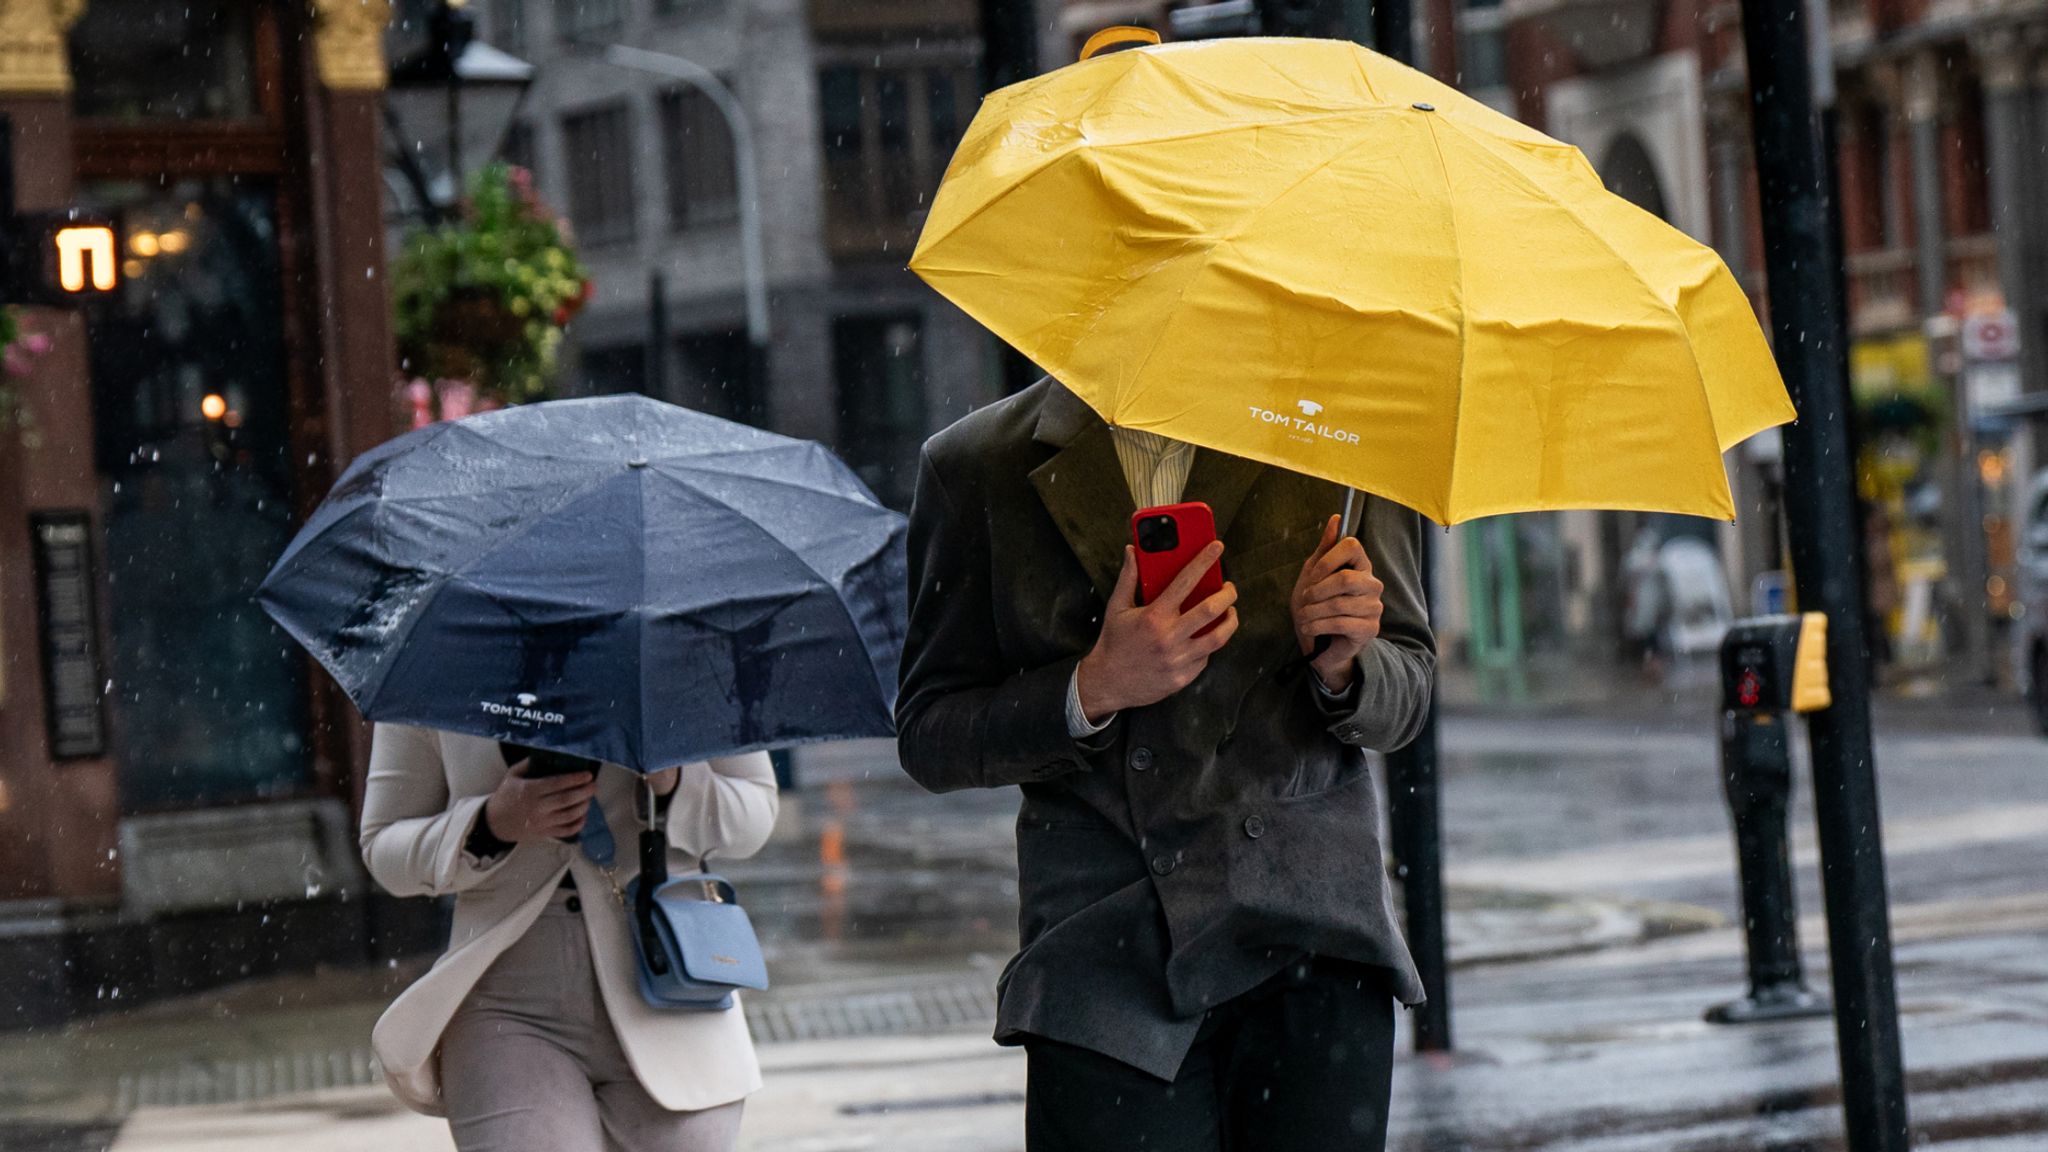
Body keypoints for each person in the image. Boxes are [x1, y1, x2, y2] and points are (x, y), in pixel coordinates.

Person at [896, 378, 1435, 1151]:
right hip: (1103, 966)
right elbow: (928, 730)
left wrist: (1347, 666)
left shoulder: (1334, 439)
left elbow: (1409, 684)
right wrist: (1093, 686)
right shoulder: (978, 463)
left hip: (1311, 939)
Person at [359, 725, 778, 1152]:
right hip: (508, 1005)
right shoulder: (436, 667)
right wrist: (490, 824)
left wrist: (676, 785)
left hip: (673, 980)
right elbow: (383, 844)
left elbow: (756, 813)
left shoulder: (687, 662)